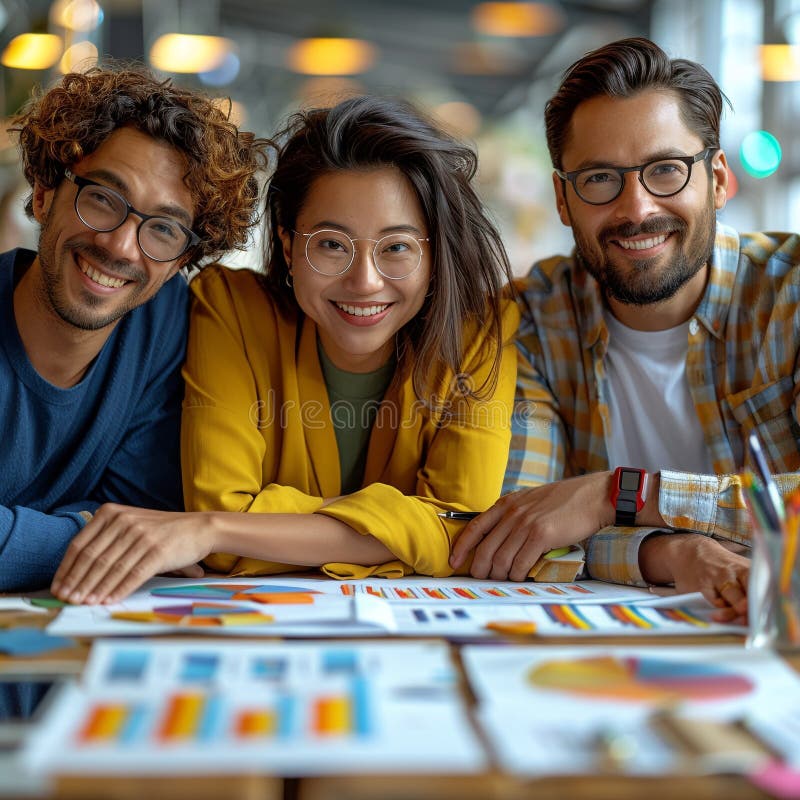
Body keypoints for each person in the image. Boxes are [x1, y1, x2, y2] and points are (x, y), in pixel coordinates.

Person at [50, 95, 519, 605]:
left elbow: (462, 527)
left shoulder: (480, 334)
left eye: (397, 248)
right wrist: (410, 523)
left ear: (435, 256)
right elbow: (221, 505)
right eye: (331, 244)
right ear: (290, 248)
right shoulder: (231, 311)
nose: (365, 282)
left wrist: (216, 529)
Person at [451, 37, 800, 622]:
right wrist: (678, 554)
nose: (636, 208)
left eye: (666, 169)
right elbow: (522, 531)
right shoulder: (532, 320)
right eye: (600, 179)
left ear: (717, 178)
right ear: (563, 199)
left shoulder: (789, 298)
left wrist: (617, 494)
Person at [2, 66, 270, 590]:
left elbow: (138, 508)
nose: (122, 247)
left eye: (163, 230)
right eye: (102, 198)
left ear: (180, 260)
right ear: (43, 193)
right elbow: (126, 537)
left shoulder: (165, 327)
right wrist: (76, 536)